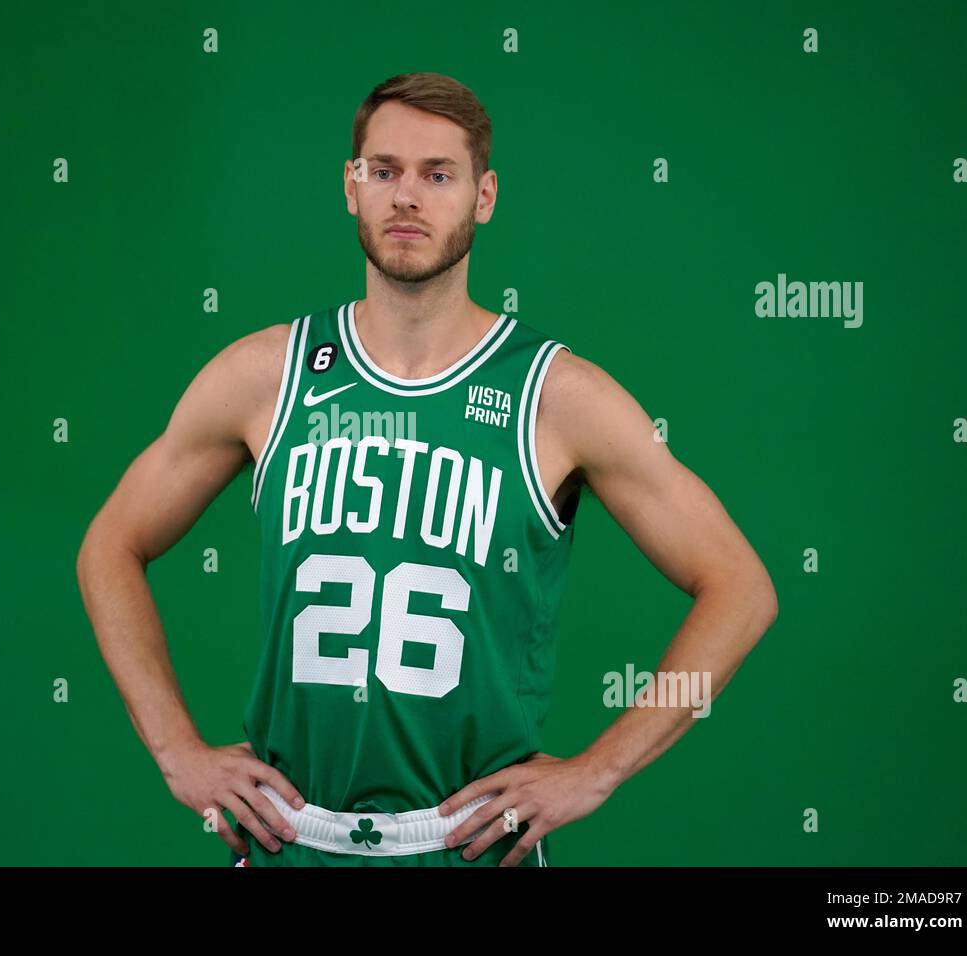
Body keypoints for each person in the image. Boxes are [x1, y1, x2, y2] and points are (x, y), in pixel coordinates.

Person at [76, 72, 778, 867]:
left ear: (483, 195)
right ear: (352, 186)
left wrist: (599, 770)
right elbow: (111, 544)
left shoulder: (555, 396)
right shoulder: (268, 375)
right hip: (290, 839)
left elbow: (740, 588)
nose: (407, 197)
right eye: (385, 171)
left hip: (465, 847)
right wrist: (175, 748)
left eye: (438, 174)